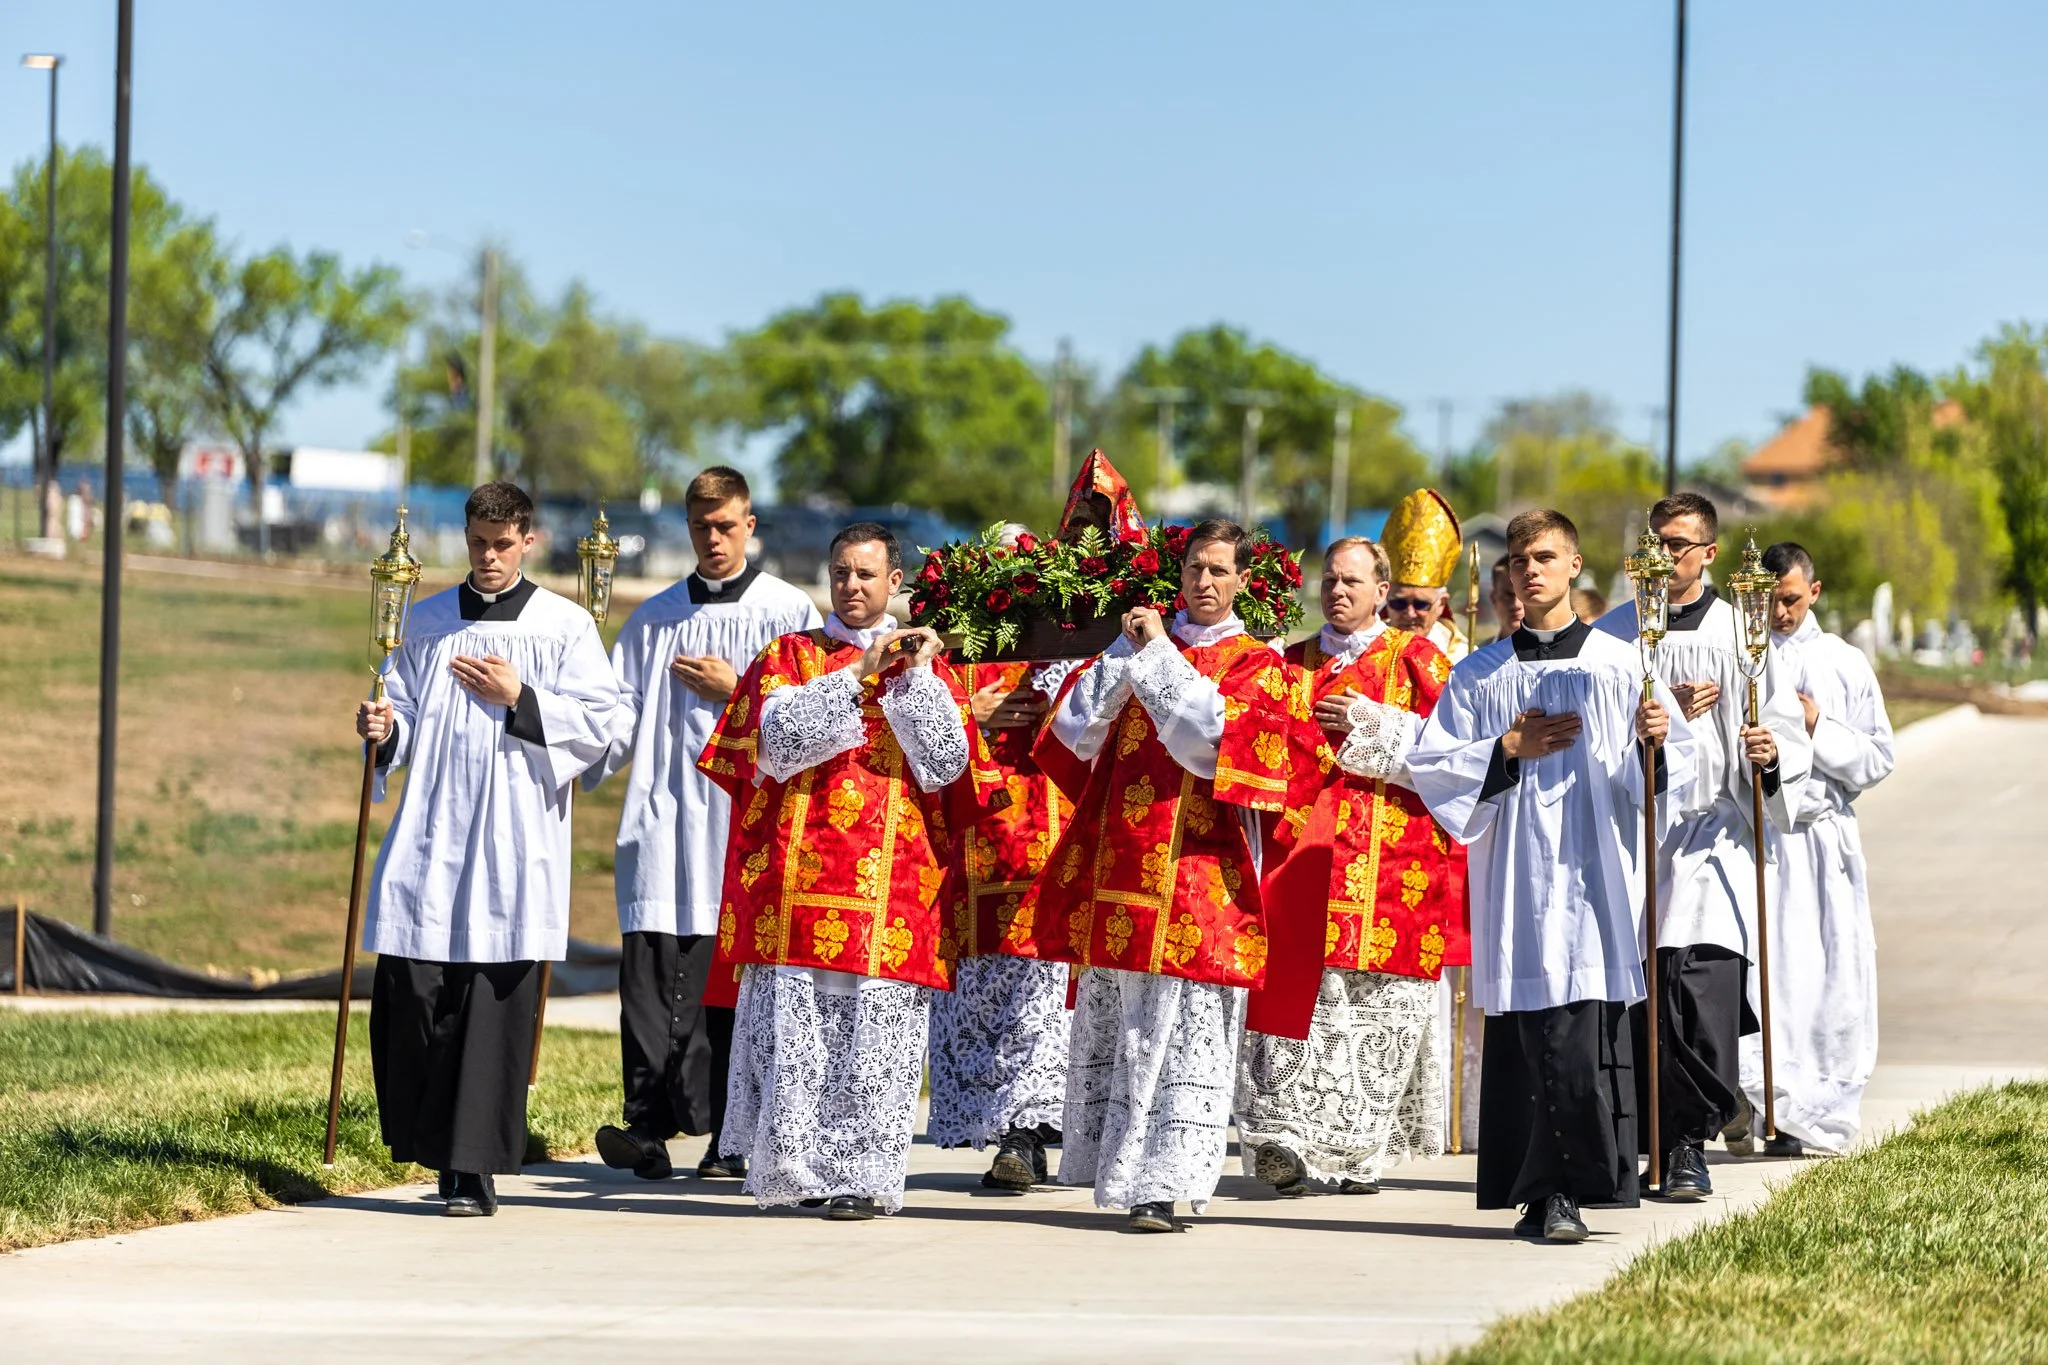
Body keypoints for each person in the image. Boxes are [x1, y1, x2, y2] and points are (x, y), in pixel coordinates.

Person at [1011, 519, 1322, 1233]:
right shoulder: (1146, 643)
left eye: (1218, 570)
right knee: (1127, 1032)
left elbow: (1215, 745)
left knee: (1188, 1035)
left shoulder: (1259, 667)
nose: (1204, 583)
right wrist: (1126, 654)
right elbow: (1070, 736)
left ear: (1245, 578)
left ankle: (1167, 1182)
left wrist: (1156, 660)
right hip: (1120, 869)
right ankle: (1121, 1173)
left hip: (1202, 878)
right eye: (1192, 570)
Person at [698, 523, 999, 1220]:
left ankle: (864, 1175)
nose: (851, 586)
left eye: (866, 575)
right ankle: (797, 1168)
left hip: (892, 884)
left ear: (896, 581)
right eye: (840, 572)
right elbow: (772, 744)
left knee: (877, 1041)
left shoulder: (926, 665)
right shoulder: (790, 654)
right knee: (799, 1037)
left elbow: (949, 764)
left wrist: (914, 674)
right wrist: (859, 675)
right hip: (799, 879)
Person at [1408, 508, 1693, 1242]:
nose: (1528, 570)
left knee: (1578, 1031)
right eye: (1516, 560)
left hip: (1592, 874)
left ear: (1574, 565)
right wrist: (1507, 746)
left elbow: (1670, 785)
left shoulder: (1623, 665)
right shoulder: (1480, 674)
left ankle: (1571, 1187)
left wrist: (1653, 743)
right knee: (1529, 1035)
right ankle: (1542, 1194)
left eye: (1544, 556)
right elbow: (1434, 767)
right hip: (1513, 881)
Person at [355, 481, 620, 1217]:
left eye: (503, 545)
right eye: (478, 543)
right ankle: (428, 1140)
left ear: (529, 541)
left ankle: (470, 1169)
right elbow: (405, 710)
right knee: (411, 993)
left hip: (514, 840)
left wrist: (521, 697)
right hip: (431, 834)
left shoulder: (563, 628)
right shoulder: (430, 619)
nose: (490, 557)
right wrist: (385, 730)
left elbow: (603, 726)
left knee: (486, 1006)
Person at [585, 467, 820, 1183]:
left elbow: (814, 716)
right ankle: (647, 1128)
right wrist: (549, 741)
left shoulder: (790, 613)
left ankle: (730, 1135)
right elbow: (613, 719)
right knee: (651, 983)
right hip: (662, 819)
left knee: (731, 991)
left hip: (744, 825)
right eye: (700, 527)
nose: (713, 539)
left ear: (751, 524)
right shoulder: (654, 618)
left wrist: (740, 688)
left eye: (726, 525)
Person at [1594, 492, 1810, 1199]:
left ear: (1710, 553)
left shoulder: (1741, 632)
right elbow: (1595, 732)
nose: (1664, 557)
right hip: (1636, 839)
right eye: (1654, 542)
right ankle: (1656, 1142)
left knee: (1701, 986)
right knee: (1645, 998)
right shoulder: (1614, 634)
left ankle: (1691, 1138)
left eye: (1678, 544)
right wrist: (1652, 727)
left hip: (1715, 836)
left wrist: (1769, 749)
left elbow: (1782, 727)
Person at [1236, 535, 1463, 1196]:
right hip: (1301, 858)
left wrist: (1374, 725)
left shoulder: (1420, 659)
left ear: (1382, 592)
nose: (1338, 592)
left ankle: (1358, 1157)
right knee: (1297, 1003)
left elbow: (1458, 757)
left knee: (1370, 1013)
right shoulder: (1290, 661)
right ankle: (1284, 1142)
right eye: (1331, 581)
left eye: (1353, 582)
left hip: (1391, 863)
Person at [1736, 541, 1893, 1156]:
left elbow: (1878, 756)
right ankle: (1767, 1106)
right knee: (1770, 975)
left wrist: (1817, 727)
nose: (1778, 613)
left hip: (1823, 843)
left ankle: (1822, 1109)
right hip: (1765, 842)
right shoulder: (1744, 658)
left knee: (1829, 975)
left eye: (1791, 600)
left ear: (1815, 591)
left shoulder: (1845, 662)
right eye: (1769, 601)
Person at [1380, 489, 1469, 661]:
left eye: (1421, 604)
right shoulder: (1364, 649)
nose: (1410, 613)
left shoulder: (1464, 658)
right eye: (1398, 603)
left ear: (1441, 604)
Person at [1488, 556, 1524, 644]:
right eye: (1508, 595)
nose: (1516, 605)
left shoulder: (1559, 655)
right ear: (1494, 599)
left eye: (1522, 594)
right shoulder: (1477, 655)